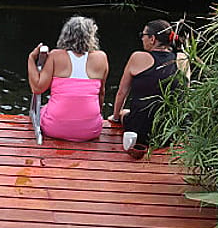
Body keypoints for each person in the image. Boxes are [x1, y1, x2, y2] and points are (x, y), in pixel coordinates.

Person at [109, 19, 190, 150]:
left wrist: (116, 117)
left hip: (139, 130)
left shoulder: (138, 57)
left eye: (143, 35)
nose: (142, 39)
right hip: (169, 131)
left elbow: (122, 92)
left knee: (125, 113)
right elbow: (184, 96)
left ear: (152, 39)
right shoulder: (182, 59)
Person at [28, 15, 109, 142]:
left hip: (55, 128)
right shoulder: (102, 58)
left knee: (45, 109)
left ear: (66, 34)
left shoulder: (55, 56)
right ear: (91, 36)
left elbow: (37, 88)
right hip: (91, 130)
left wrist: (31, 59)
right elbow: (101, 94)